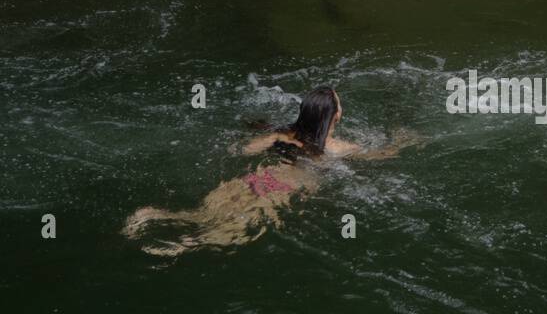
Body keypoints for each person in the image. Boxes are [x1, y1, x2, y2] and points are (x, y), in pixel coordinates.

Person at [122, 86, 417, 256]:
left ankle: (152, 214)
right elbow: (384, 153)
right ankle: (177, 248)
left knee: (201, 214)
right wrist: (404, 138)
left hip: (253, 179)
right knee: (226, 232)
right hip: (279, 191)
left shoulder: (282, 135)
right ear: (335, 115)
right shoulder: (339, 148)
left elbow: (240, 150)